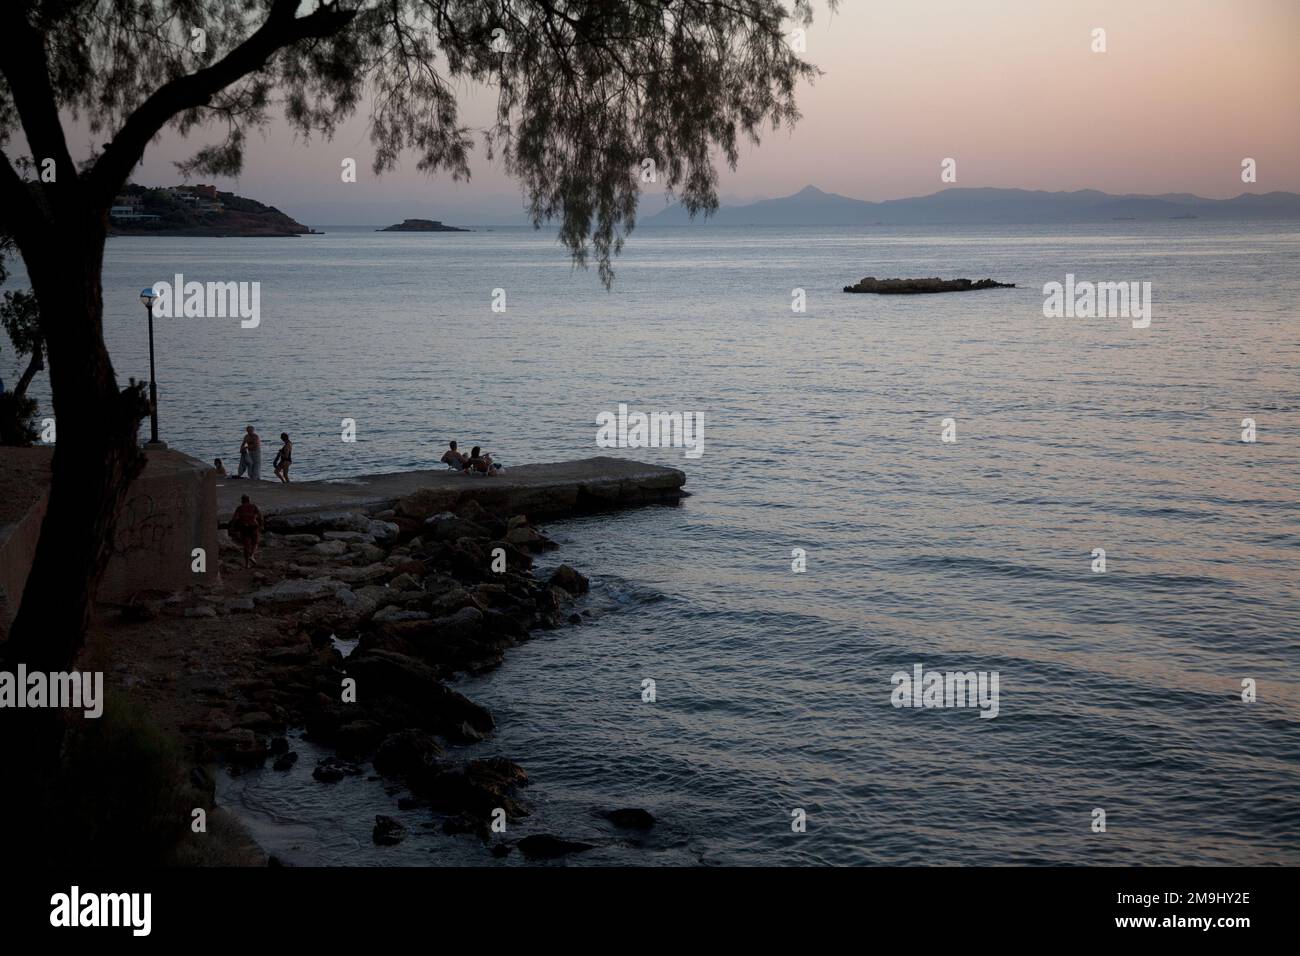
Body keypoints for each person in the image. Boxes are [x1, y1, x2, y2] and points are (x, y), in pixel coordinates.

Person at [228, 494, 265, 568]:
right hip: (253, 526)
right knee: (255, 542)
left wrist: (231, 527)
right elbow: (260, 516)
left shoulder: (239, 508)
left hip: (244, 527)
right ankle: (252, 555)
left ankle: (247, 564)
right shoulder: (253, 506)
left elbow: (235, 518)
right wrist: (261, 525)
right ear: (249, 500)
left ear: (242, 500)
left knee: (246, 546)